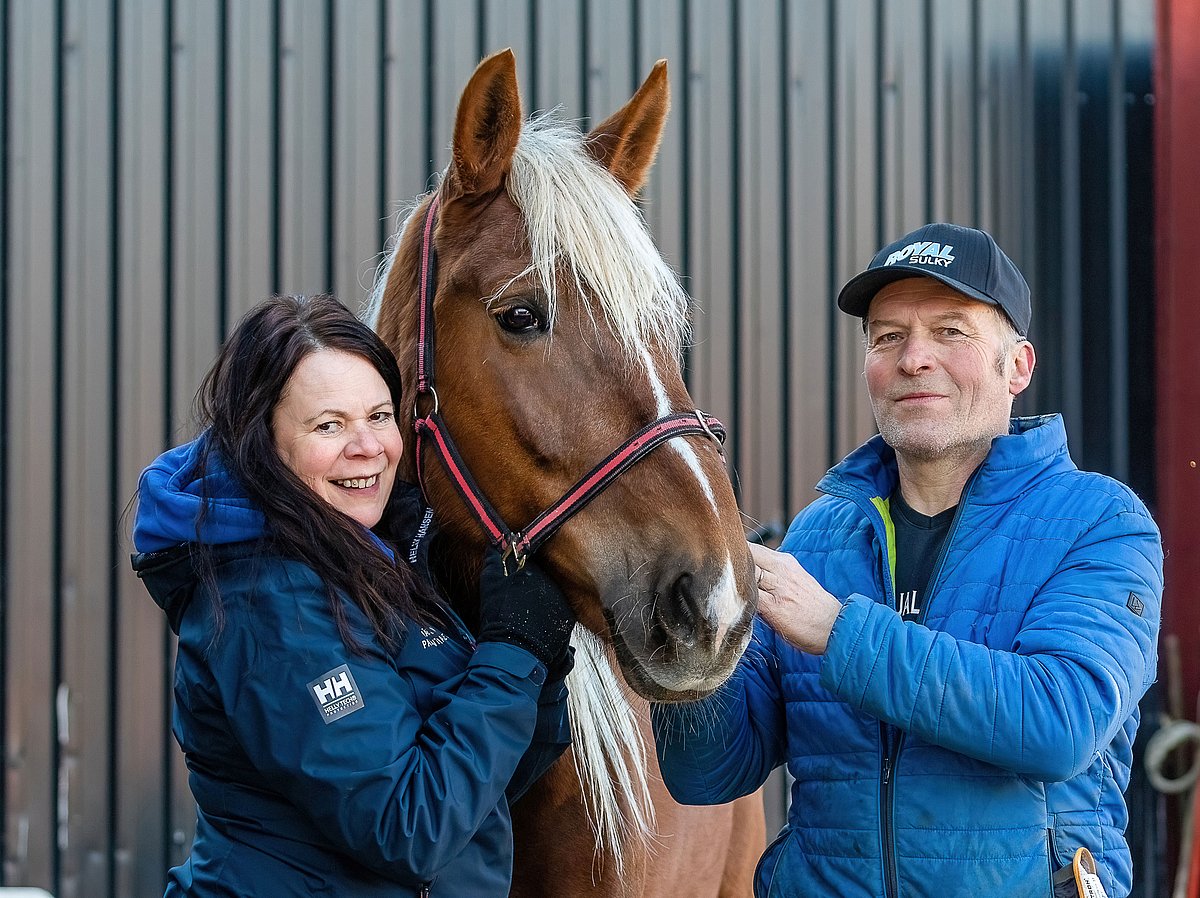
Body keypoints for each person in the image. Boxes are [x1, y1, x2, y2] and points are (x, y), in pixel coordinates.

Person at [652, 223, 1162, 897]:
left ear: (1019, 367)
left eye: (951, 331)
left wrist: (838, 632)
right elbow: (709, 773)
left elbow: (1058, 724)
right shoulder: (818, 539)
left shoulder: (1099, 523)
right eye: (888, 336)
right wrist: (688, 629)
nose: (913, 358)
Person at [131, 294, 577, 897]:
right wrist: (512, 655)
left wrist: (540, 665)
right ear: (261, 440)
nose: (368, 446)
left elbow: (480, 789)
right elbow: (409, 829)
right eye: (329, 424)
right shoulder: (269, 601)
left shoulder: (368, 552)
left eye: (379, 414)